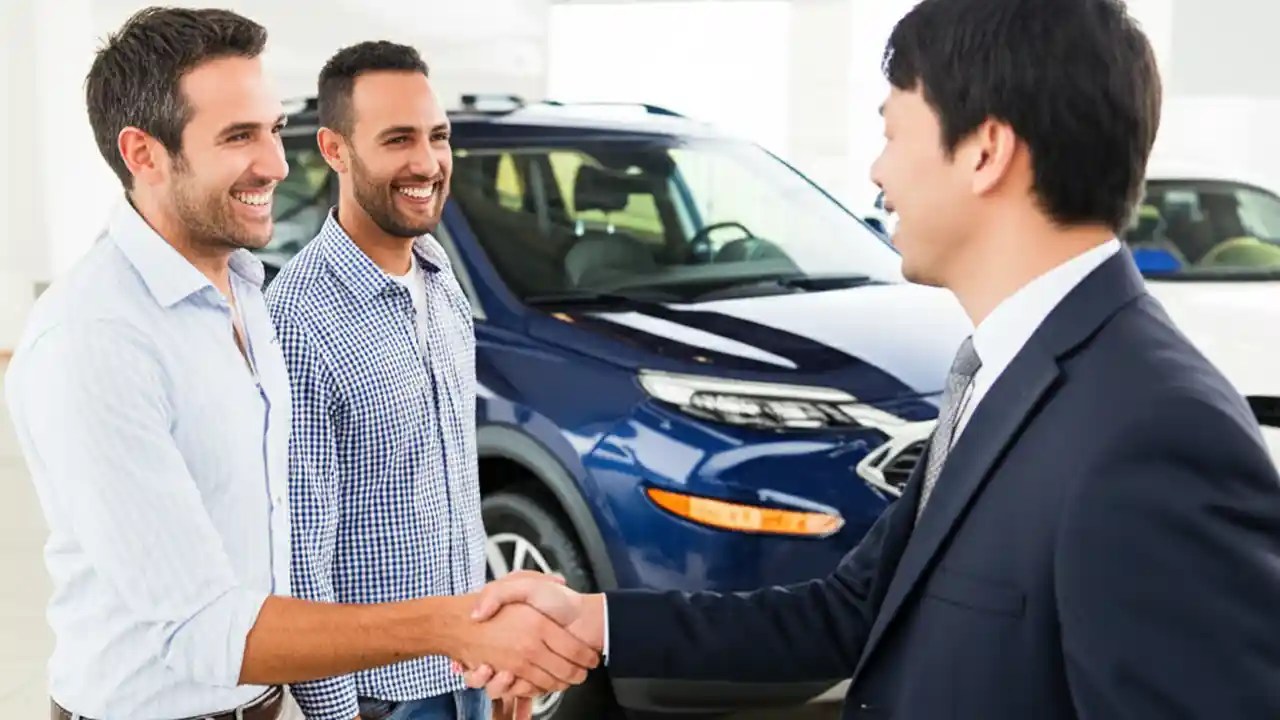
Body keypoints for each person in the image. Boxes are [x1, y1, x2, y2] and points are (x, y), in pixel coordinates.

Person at [457, 0, 1280, 717]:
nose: (878, 174)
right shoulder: (998, 365)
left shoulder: (1155, 433)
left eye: (892, 132)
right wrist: (595, 622)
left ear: (985, 151)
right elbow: (851, 611)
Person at [2, 9, 595, 720]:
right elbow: (204, 628)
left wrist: (474, 650)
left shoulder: (243, 289)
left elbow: (283, 544)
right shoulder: (93, 341)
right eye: (238, 136)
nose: (278, 165)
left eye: (272, 128)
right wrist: (452, 629)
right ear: (145, 154)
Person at [263, 41, 510, 720]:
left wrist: (492, 648)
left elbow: (454, 497)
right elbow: (299, 559)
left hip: (466, 671)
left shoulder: (437, 274)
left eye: (437, 137)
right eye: (398, 139)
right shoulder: (298, 323)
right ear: (335, 150)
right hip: (382, 697)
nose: (427, 162)